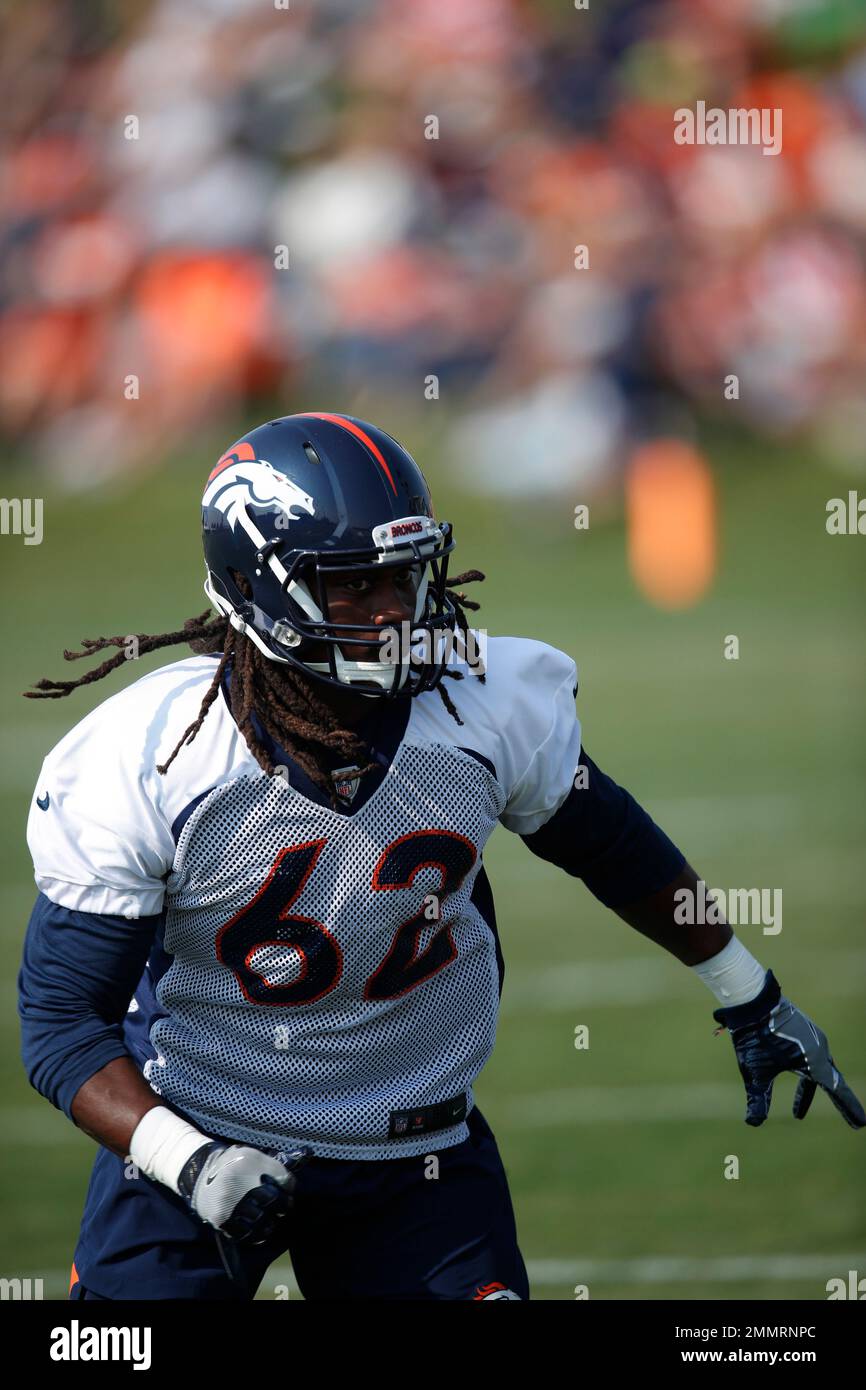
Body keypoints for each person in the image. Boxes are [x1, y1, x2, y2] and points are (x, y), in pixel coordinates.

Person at [18, 412, 864, 1302]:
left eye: (406, 576)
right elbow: (63, 1024)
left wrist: (746, 993)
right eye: (354, 588)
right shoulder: (148, 754)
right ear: (254, 587)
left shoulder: (484, 704)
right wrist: (190, 1163)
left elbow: (613, 846)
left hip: (413, 1149)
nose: (394, 614)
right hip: (196, 1131)